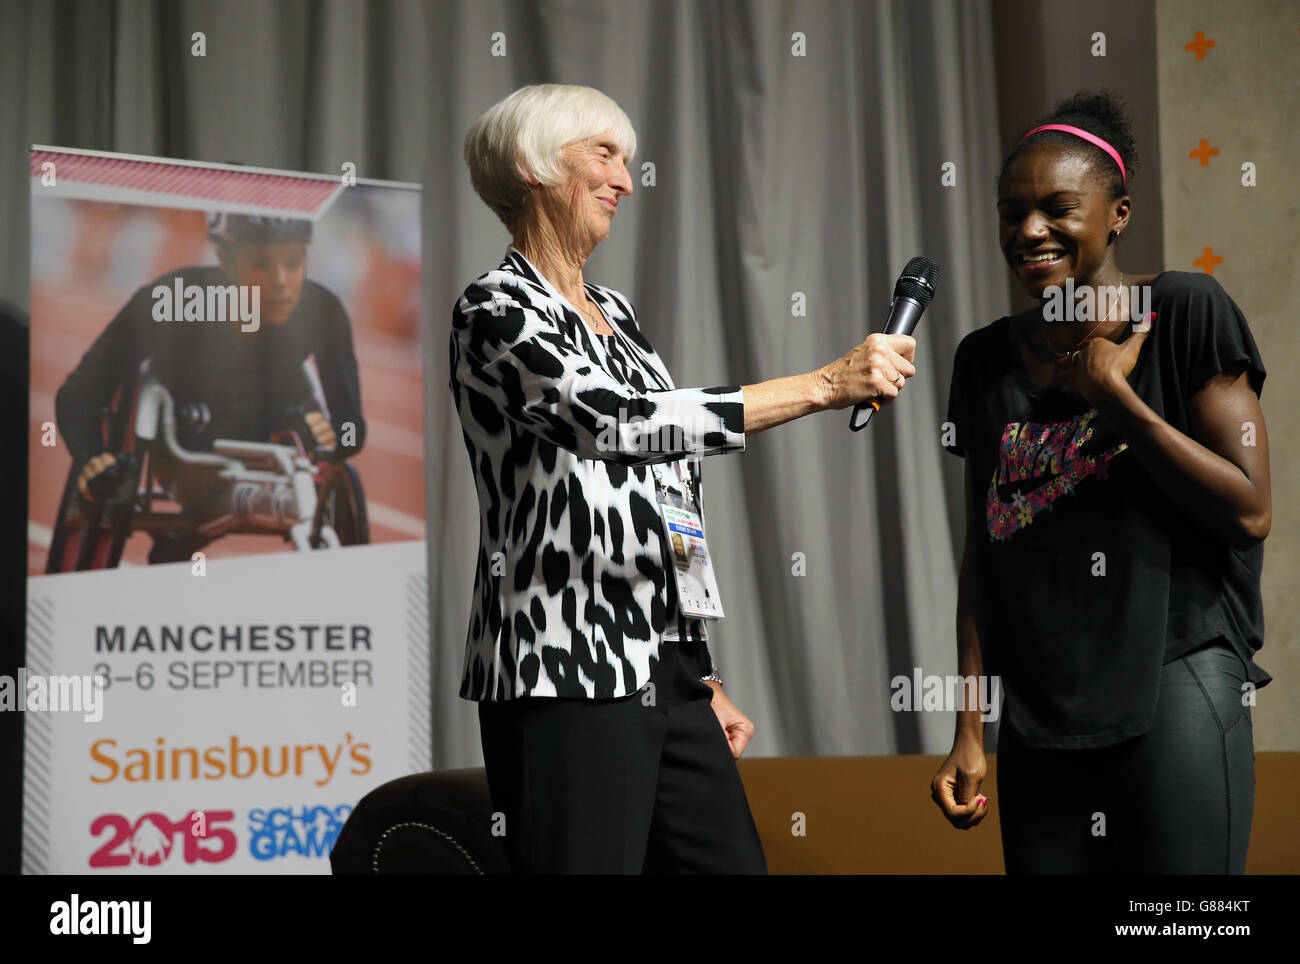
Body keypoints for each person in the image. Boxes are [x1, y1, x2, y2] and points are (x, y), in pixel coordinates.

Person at [451, 83, 918, 874]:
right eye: (603, 154)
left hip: (661, 664)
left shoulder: (616, 312)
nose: (626, 181)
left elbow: (672, 488)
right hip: (564, 661)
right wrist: (823, 384)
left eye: (626, 161)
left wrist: (700, 671)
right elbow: (618, 423)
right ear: (533, 166)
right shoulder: (494, 309)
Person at [932, 91, 1271, 873]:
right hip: (1041, 710)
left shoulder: (1184, 310)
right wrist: (969, 728)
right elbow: (985, 552)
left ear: (1117, 214)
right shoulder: (983, 361)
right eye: (1011, 212)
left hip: (1175, 676)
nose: (1029, 231)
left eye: (1057, 209)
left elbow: (1250, 512)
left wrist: (1118, 400)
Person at [56, 213, 366, 564]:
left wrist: (341, 438)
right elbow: (80, 391)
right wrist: (91, 455)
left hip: (274, 434)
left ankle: (185, 540)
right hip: (183, 440)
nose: (281, 281)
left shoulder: (324, 311)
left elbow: (352, 423)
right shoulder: (172, 298)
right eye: (261, 263)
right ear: (227, 261)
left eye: (293, 263)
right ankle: (185, 537)